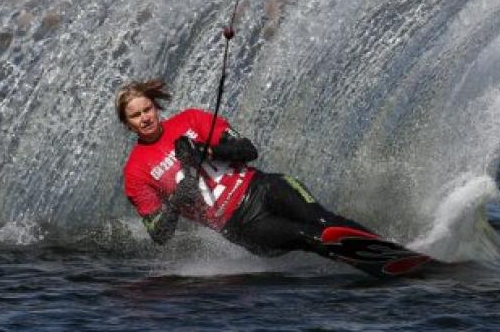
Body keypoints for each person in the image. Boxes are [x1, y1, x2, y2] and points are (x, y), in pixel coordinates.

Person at [117, 77, 397, 262]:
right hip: (241, 225)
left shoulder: (191, 120)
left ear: (155, 107)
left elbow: (248, 150)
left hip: (262, 188)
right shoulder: (136, 172)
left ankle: (388, 251)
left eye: (147, 110)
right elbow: (159, 234)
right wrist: (178, 199)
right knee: (307, 236)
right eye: (135, 116)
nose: (144, 118)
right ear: (127, 124)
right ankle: (377, 262)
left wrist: (207, 151)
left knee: (324, 220)